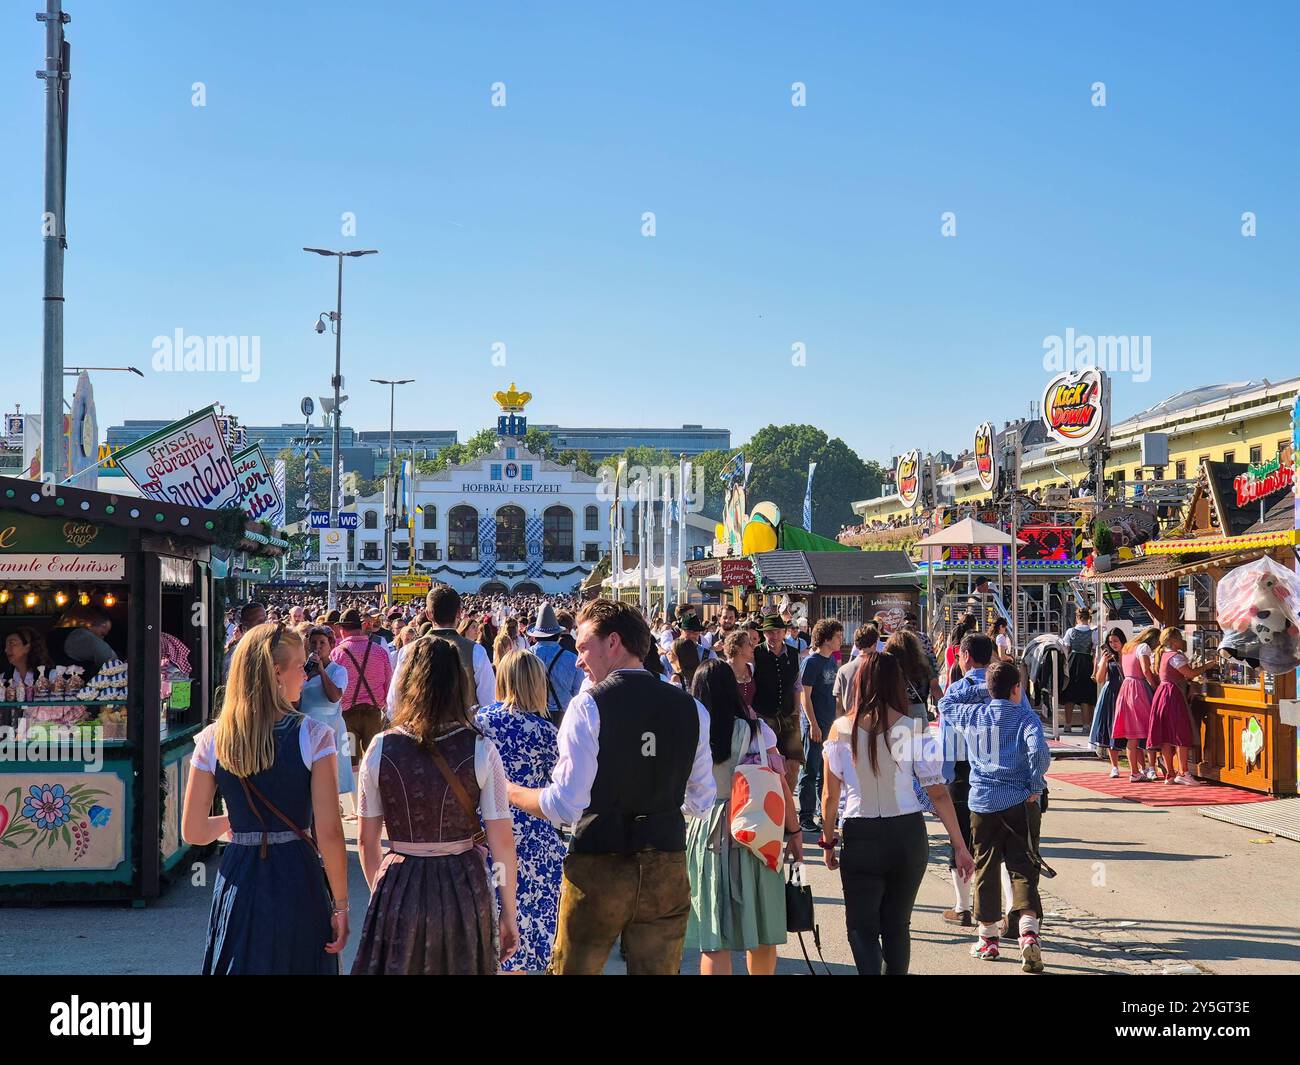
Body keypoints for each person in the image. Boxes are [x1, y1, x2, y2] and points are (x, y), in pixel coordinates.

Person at [508, 599, 715, 975]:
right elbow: (701, 801)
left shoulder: (588, 706)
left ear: (613, 642)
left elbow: (565, 805)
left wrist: (510, 791)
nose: (577, 660)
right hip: (664, 860)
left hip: (599, 863)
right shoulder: (691, 709)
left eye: (584, 647)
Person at [182, 623, 349, 974]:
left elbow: (194, 832)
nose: (305, 675)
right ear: (277, 671)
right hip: (296, 869)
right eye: (301, 666)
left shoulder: (213, 738)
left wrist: (238, 820)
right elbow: (330, 832)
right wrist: (342, 905)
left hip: (240, 871)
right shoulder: (314, 736)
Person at [352, 637, 518, 974]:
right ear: (459, 683)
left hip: (400, 878)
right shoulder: (481, 749)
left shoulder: (379, 748)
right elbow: (502, 842)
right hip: (464, 884)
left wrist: (382, 893)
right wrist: (509, 914)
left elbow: (366, 841)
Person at [821, 651, 975, 974]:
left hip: (860, 833)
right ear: (897, 684)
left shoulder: (839, 731)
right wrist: (959, 845)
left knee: (861, 928)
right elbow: (938, 792)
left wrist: (828, 838)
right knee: (897, 925)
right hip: (906, 834)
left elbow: (829, 796)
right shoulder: (912, 728)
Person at [686, 660, 798, 974]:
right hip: (756, 827)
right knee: (762, 930)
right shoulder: (757, 731)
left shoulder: (690, 732)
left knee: (714, 937)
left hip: (706, 830)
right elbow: (778, 782)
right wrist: (795, 831)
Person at [939, 660, 1051, 972]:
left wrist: (983, 687)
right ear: (1017, 689)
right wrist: (1035, 783)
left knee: (985, 867)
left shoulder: (974, 714)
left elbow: (945, 702)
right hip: (1019, 801)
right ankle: (1028, 932)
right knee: (1023, 866)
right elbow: (1039, 753)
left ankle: (987, 938)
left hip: (983, 802)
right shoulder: (1026, 717)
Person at [474, 651, 564, 972]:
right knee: (524, 949)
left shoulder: (477, 723)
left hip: (483, 841)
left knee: (484, 945)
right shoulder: (546, 734)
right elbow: (562, 794)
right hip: (535, 849)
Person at [388, 586, 496, 711]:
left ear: (428, 614)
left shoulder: (408, 650)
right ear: (459, 614)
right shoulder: (476, 651)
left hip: (419, 726)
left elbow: (394, 700)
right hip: (464, 726)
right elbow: (488, 701)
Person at [331, 609, 394, 780]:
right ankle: (373, 796)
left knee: (350, 761)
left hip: (347, 716)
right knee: (374, 758)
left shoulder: (337, 653)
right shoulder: (380, 651)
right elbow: (389, 683)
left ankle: (355, 801)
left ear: (343, 630)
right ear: (361, 627)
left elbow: (332, 684)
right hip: (374, 713)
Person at [1148, 629, 1214, 785]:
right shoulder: (1175, 657)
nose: (1182, 641)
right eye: (1179, 639)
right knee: (1180, 732)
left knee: (1166, 735)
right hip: (1173, 695)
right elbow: (1190, 673)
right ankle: (1183, 772)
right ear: (1173, 641)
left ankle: (1170, 773)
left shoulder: (1162, 655)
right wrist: (1208, 665)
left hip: (1162, 693)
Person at [296, 625, 354, 798]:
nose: (317, 647)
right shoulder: (302, 670)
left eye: (322, 643)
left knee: (330, 777)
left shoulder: (338, 671)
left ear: (330, 645)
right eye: (313, 643)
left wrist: (321, 671)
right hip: (306, 726)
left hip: (330, 727)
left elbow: (334, 696)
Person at [796, 619, 842, 833]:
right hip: (814, 725)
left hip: (829, 724)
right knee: (810, 770)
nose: (840, 640)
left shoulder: (832, 661)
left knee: (827, 773)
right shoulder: (811, 662)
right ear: (826, 638)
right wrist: (813, 724)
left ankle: (825, 814)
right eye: (837, 636)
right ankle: (805, 816)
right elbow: (805, 695)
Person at [751, 613, 805, 790]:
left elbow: (797, 685)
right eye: (769, 632)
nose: (773, 636)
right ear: (764, 634)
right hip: (765, 716)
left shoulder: (793, 653)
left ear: (784, 632)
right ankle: (773, 805)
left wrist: (797, 710)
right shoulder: (756, 653)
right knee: (769, 764)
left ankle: (787, 803)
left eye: (777, 632)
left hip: (789, 714)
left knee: (793, 765)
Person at [1113, 626, 1160, 783]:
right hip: (1139, 688)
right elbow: (1146, 670)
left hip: (1126, 687)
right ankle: (1149, 767)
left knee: (1131, 733)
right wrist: (1155, 686)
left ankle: (1135, 771)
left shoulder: (1128, 647)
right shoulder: (1143, 647)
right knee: (1148, 727)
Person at [526, 603, 584, 719]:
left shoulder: (525, 656)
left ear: (535, 636)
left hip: (532, 715)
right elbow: (578, 691)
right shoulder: (572, 658)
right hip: (563, 715)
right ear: (558, 635)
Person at [1089, 628, 1127, 777]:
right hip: (1111, 692)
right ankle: (1114, 766)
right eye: (1110, 642)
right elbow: (1099, 679)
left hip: (1125, 691)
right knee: (1111, 726)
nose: (1113, 645)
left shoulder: (1127, 654)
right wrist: (1103, 661)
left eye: (1116, 641)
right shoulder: (1107, 657)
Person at [885, 628, 940, 721]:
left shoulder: (888, 663)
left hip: (895, 713)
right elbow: (935, 688)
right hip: (918, 714)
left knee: (897, 735)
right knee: (919, 735)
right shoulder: (925, 662)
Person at [45, 606, 118, 676]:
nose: (102, 639)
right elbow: (110, 660)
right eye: (102, 633)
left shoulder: (57, 633)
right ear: (90, 625)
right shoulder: (81, 636)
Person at [1060, 608, 1097, 732]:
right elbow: (1095, 650)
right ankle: (1086, 725)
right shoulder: (1094, 633)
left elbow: (1066, 648)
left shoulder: (1071, 631)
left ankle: (1067, 724)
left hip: (1072, 662)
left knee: (1070, 695)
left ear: (1077, 618)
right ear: (1089, 618)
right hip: (1086, 662)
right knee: (1085, 696)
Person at [834, 624, 879, 716]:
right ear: (875, 643)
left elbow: (838, 705)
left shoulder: (843, 670)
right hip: (876, 723)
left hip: (850, 722)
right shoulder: (882, 667)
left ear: (856, 644)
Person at [723, 629, 757, 711]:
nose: (753, 646)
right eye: (749, 643)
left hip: (749, 718)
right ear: (738, 648)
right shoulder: (724, 669)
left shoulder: (750, 668)